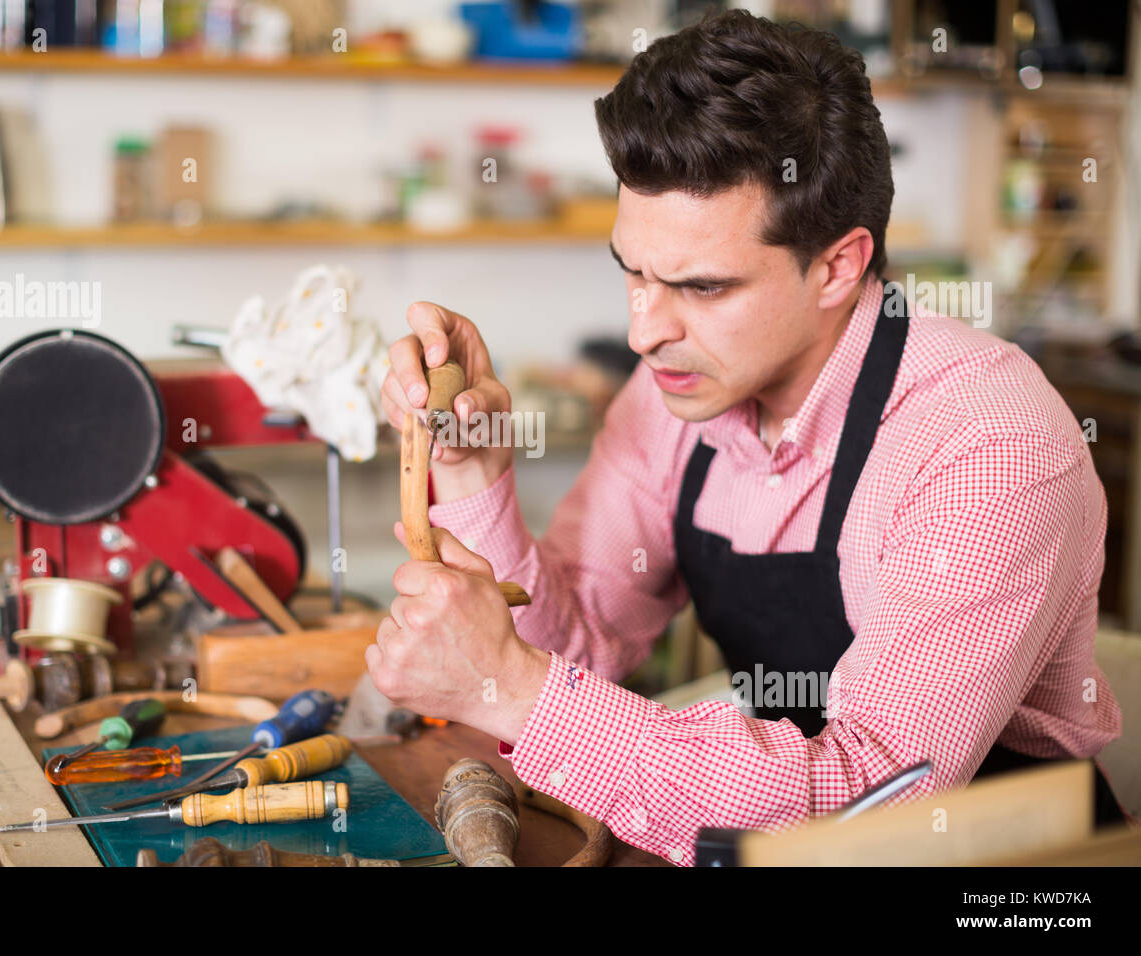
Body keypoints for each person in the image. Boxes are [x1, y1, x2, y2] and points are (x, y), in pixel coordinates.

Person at [365, 10, 1126, 865]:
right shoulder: (675, 397)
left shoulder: (986, 445)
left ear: (839, 265)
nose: (646, 332)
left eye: (703, 286)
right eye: (634, 273)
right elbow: (579, 649)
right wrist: (473, 477)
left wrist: (513, 693)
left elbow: (868, 808)